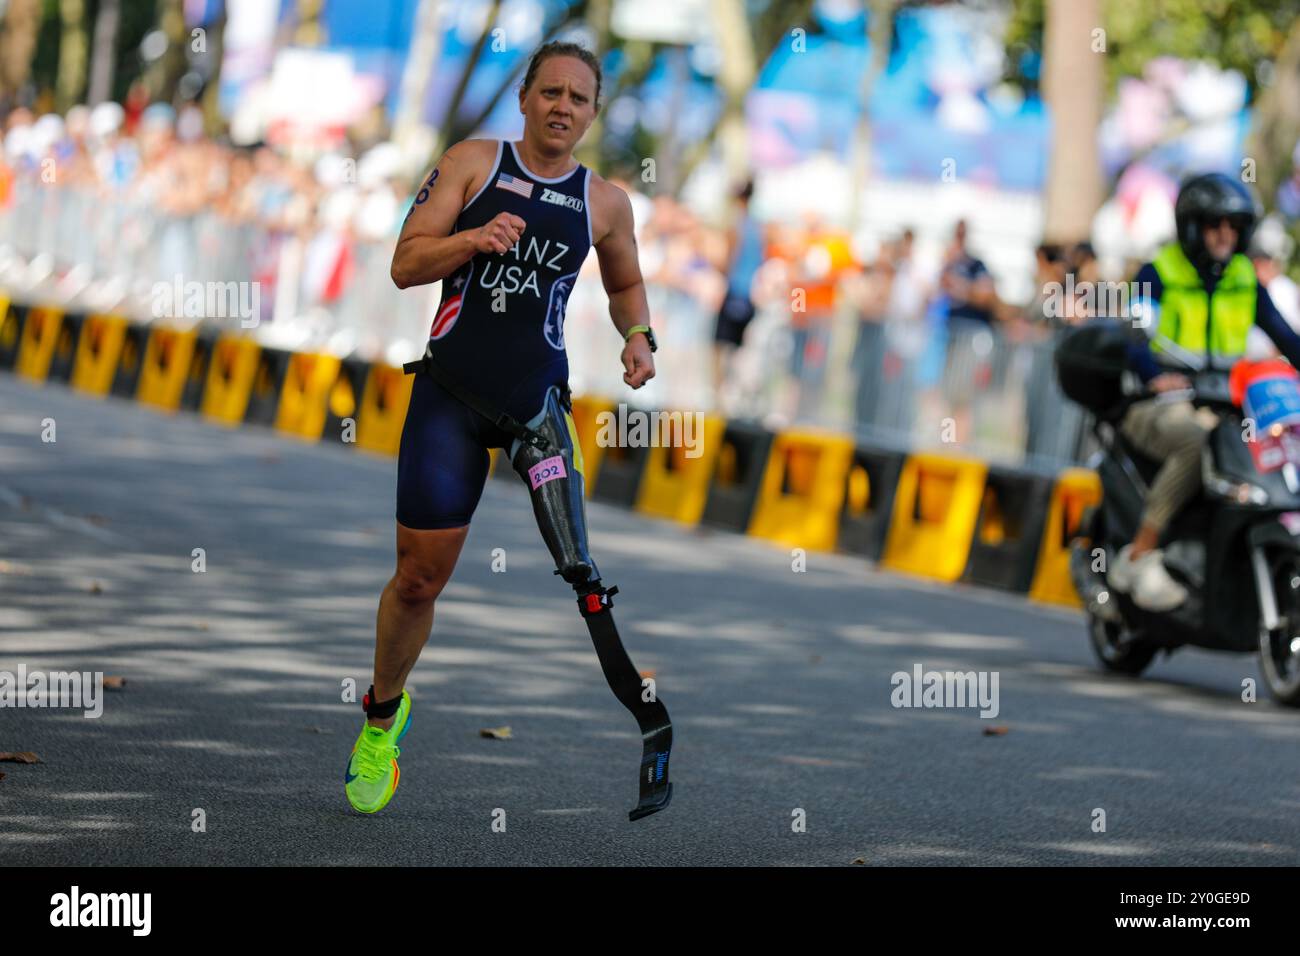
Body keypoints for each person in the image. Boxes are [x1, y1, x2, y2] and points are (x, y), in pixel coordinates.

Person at [347, 42, 673, 820]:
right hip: (450, 395)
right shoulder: (471, 162)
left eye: (580, 98)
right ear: (525, 98)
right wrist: (471, 239)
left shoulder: (605, 202)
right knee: (420, 577)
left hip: (536, 409)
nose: (564, 106)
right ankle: (382, 719)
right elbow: (404, 263)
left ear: (593, 114)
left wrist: (640, 337)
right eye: (551, 91)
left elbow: (626, 281)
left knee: (579, 567)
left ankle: (643, 709)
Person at [1108, 173, 1300, 610]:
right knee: (1197, 444)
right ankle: (1140, 551)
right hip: (1158, 402)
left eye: (1233, 226)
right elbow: (1135, 332)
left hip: (1224, 405)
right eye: (1215, 225)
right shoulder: (1158, 272)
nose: (1224, 235)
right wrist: (1154, 373)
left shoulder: (1244, 280)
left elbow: (1287, 340)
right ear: (1192, 227)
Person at [711, 179, 764, 412]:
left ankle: (721, 401)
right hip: (749, 295)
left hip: (734, 293)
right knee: (738, 349)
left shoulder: (737, 225)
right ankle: (737, 399)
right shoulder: (757, 227)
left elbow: (728, 261)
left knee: (720, 349)